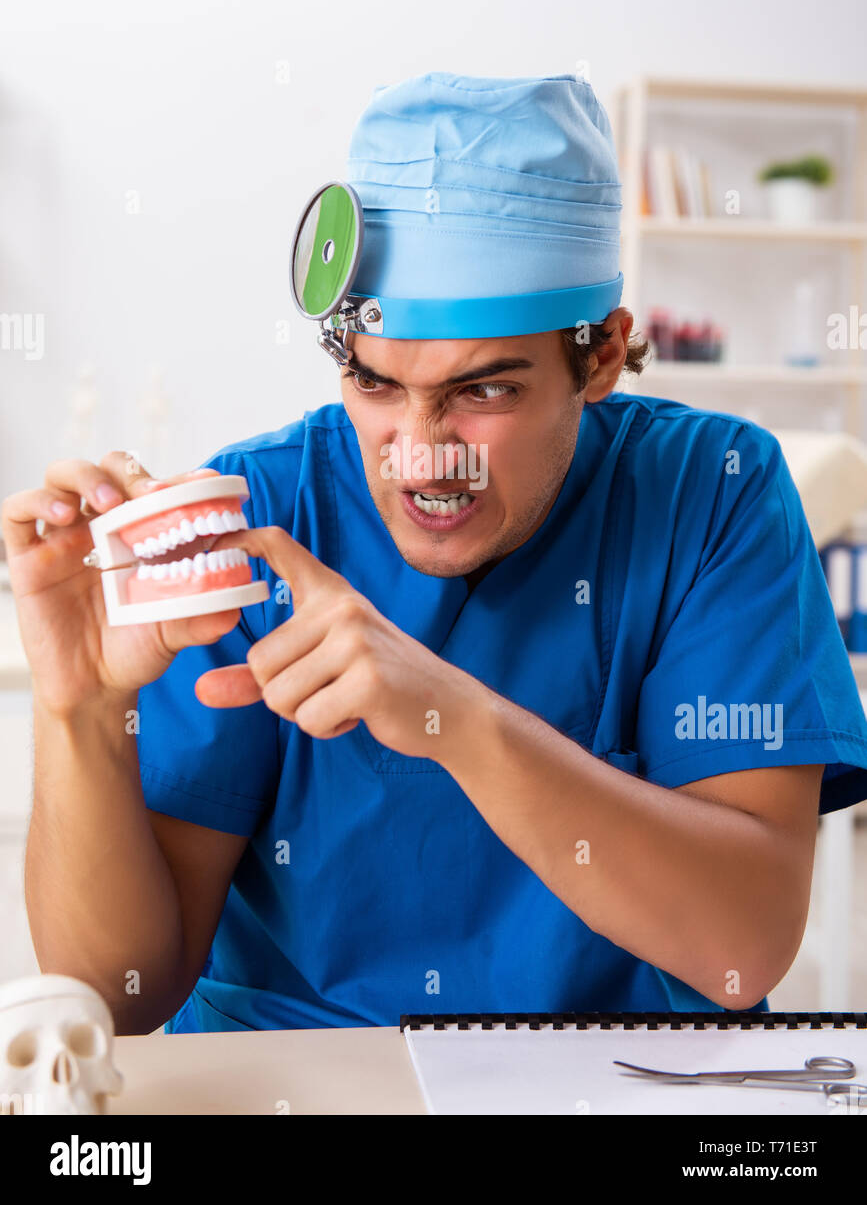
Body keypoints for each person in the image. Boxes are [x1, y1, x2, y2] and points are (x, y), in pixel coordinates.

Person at [10, 73, 867, 1035]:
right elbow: (117, 997)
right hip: (296, 1084)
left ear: (601, 357)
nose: (421, 454)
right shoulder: (260, 516)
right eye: (373, 384)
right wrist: (79, 707)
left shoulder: (711, 491)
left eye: (484, 392)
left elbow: (739, 948)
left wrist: (446, 713)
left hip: (610, 1085)